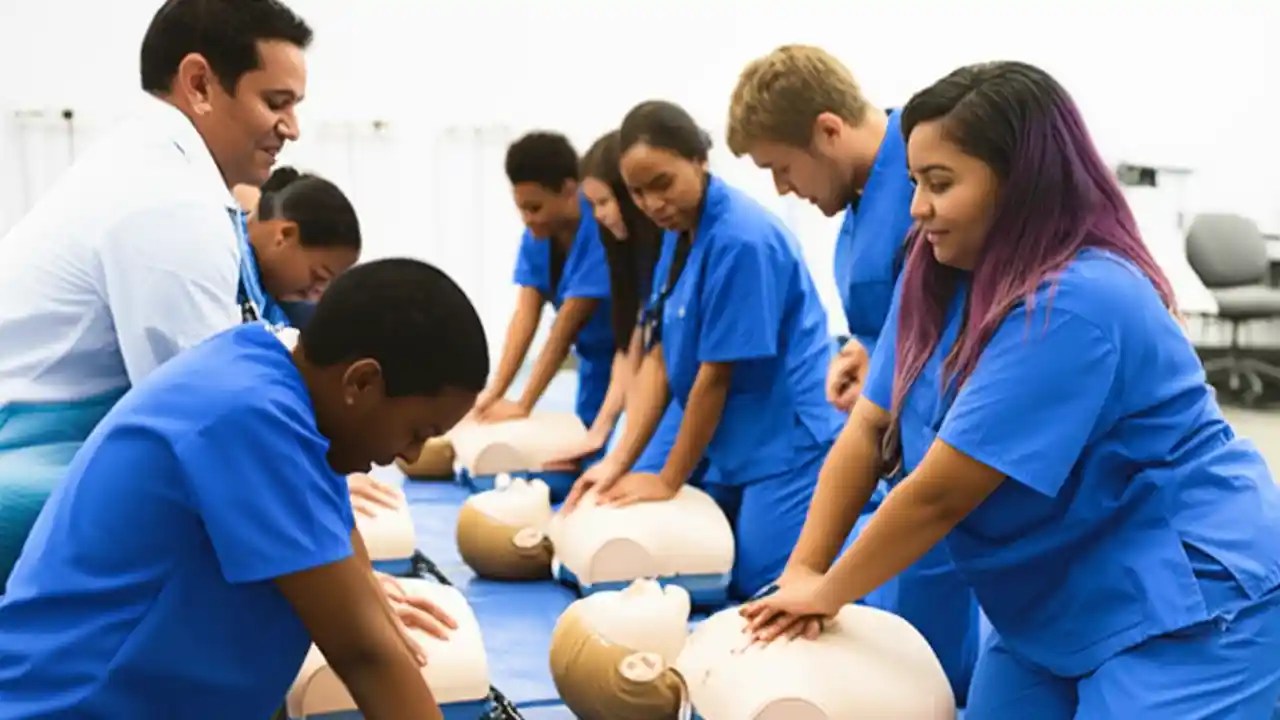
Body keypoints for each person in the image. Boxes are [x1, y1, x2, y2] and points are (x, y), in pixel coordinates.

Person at [740, 61, 1280, 718]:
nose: (916, 208)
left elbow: (937, 495)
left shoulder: (1078, 302)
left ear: (1020, 185)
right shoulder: (933, 273)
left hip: (1189, 600)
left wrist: (827, 594)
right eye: (913, 182)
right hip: (1053, 597)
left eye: (939, 184)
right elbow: (868, 427)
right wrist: (804, 571)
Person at [0, 259, 488, 720]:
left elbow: (332, 518)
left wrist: (367, 595)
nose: (412, 456)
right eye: (417, 432)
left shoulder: (265, 366)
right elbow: (362, 654)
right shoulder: (252, 420)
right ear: (361, 382)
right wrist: (365, 623)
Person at [0, 0, 313, 590]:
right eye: (276, 103)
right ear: (199, 84)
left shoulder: (163, 174)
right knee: (219, 534)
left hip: (49, 443)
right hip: (22, 464)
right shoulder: (167, 205)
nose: (292, 128)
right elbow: (211, 426)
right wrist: (343, 586)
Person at [726, 44, 979, 703]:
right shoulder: (866, 200)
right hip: (905, 444)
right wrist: (867, 353)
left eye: (782, 167)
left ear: (828, 130)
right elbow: (907, 321)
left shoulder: (919, 191)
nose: (783, 188)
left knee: (923, 669)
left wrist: (817, 580)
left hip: (952, 458)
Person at [564, 101, 844, 601]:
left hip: (788, 439)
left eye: (663, 183)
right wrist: (620, 460)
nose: (651, 203)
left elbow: (715, 377)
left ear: (699, 159)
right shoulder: (681, 231)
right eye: (637, 191)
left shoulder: (741, 240)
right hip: (736, 434)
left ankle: (858, 509)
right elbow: (656, 355)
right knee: (679, 538)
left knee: (765, 584)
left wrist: (668, 479)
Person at [554, 129, 706, 486]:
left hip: (688, 394)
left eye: (605, 202)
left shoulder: (675, 245)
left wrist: (623, 450)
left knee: (628, 480)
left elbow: (661, 359)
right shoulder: (628, 256)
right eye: (592, 206)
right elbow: (631, 347)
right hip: (661, 389)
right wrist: (601, 432)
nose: (600, 216)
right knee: (592, 471)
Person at [473, 132, 615, 435]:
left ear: (568, 190)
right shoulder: (538, 235)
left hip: (624, 359)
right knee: (586, 443)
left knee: (615, 446)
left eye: (534, 208)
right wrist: (494, 393)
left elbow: (564, 329)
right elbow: (525, 315)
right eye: (521, 208)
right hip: (593, 363)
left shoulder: (601, 230)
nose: (527, 218)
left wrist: (524, 403)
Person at [234, 166, 362, 329]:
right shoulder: (221, 257)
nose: (316, 294)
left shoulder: (275, 300)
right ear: (285, 235)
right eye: (319, 276)